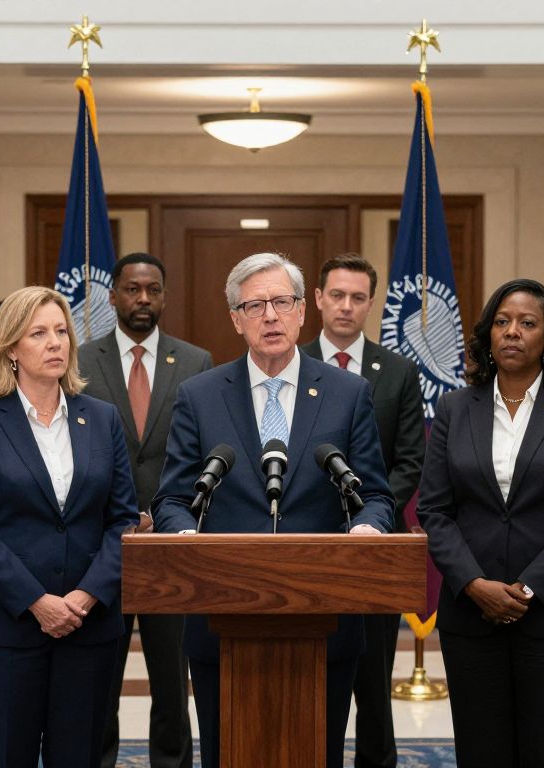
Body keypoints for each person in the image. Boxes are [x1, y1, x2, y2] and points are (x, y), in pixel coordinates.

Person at [153, 252, 394, 768]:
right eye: (255, 305)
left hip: (324, 615)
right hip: (222, 613)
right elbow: (173, 499)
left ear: (303, 311)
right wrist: (184, 541)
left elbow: (374, 492)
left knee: (319, 753)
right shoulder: (199, 395)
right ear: (236, 319)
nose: (270, 316)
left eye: (281, 302)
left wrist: (368, 527)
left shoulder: (348, 394)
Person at [416, 278, 544, 768]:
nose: (512, 332)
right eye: (502, 322)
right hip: (472, 616)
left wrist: (529, 588)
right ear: (487, 334)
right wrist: (473, 583)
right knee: (482, 752)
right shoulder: (455, 408)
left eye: (527, 323)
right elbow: (434, 510)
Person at [0, 286, 140, 768]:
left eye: (61, 332)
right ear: (11, 347)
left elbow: (122, 519)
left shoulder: (102, 418)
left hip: (87, 627)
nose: (56, 343)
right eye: (39, 333)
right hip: (4, 631)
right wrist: (36, 601)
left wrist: (86, 596)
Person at [78, 252, 210, 768]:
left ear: (164, 296)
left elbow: (203, 451)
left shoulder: (195, 361)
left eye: (152, 290)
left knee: (172, 684)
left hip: (169, 547)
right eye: (132, 290)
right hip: (101, 546)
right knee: (99, 680)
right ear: (112, 296)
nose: (142, 300)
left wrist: (167, 512)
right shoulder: (82, 360)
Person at [301, 252, 425, 768]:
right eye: (337, 296)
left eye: (357, 298)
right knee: (311, 678)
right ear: (318, 300)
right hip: (305, 545)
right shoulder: (290, 360)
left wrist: (368, 517)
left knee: (373, 684)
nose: (346, 307)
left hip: (374, 551)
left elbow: (410, 461)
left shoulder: (397, 372)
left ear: (371, 304)